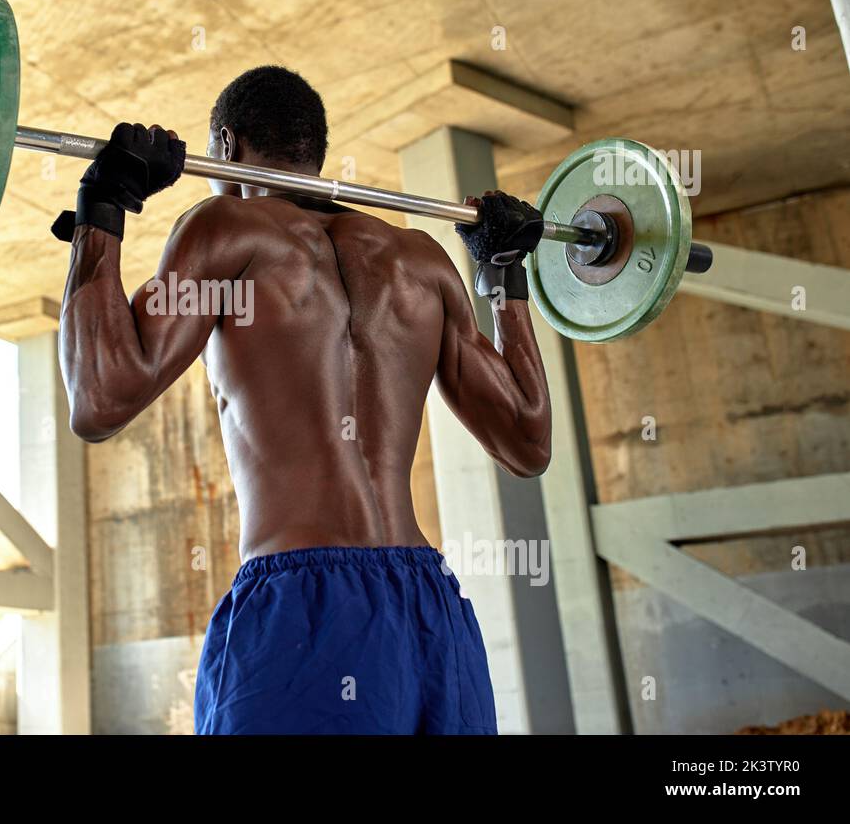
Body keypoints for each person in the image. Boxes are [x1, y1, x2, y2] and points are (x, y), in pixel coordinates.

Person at [51, 65, 551, 734]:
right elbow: (528, 441)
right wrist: (503, 274)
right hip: (430, 614)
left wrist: (103, 207)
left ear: (224, 146)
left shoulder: (227, 231)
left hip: (304, 610)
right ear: (314, 149)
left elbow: (98, 398)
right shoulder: (421, 261)